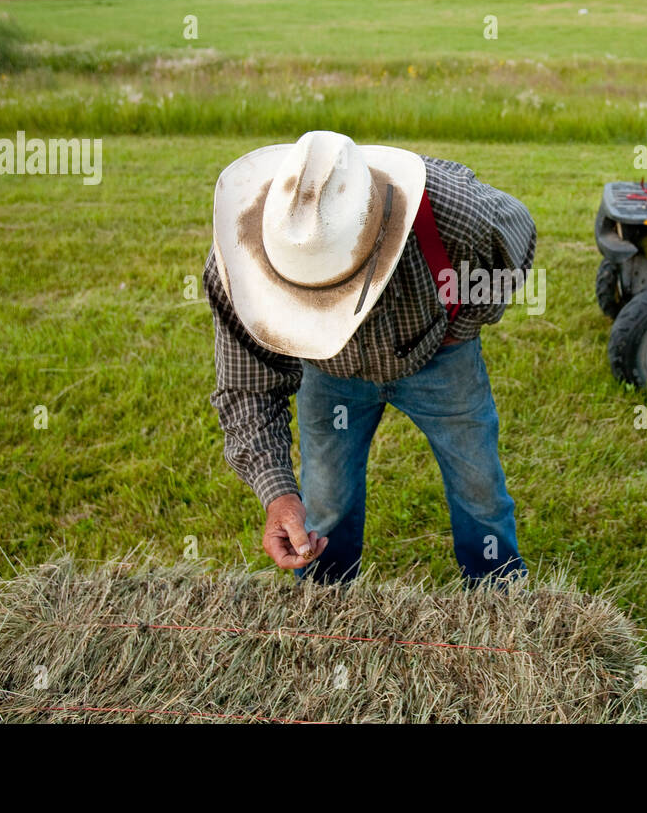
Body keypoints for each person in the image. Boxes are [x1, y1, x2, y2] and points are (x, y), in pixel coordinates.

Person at [205, 130, 535, 584]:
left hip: (440, 358)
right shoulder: (239, 269)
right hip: (329, 377)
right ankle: (326, 604)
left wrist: (460, 329)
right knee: (326, 499)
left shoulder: (454, 205)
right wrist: (279, 495)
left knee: (479, 489)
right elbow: (247, 386)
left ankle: (498, 595)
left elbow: (515, 244)